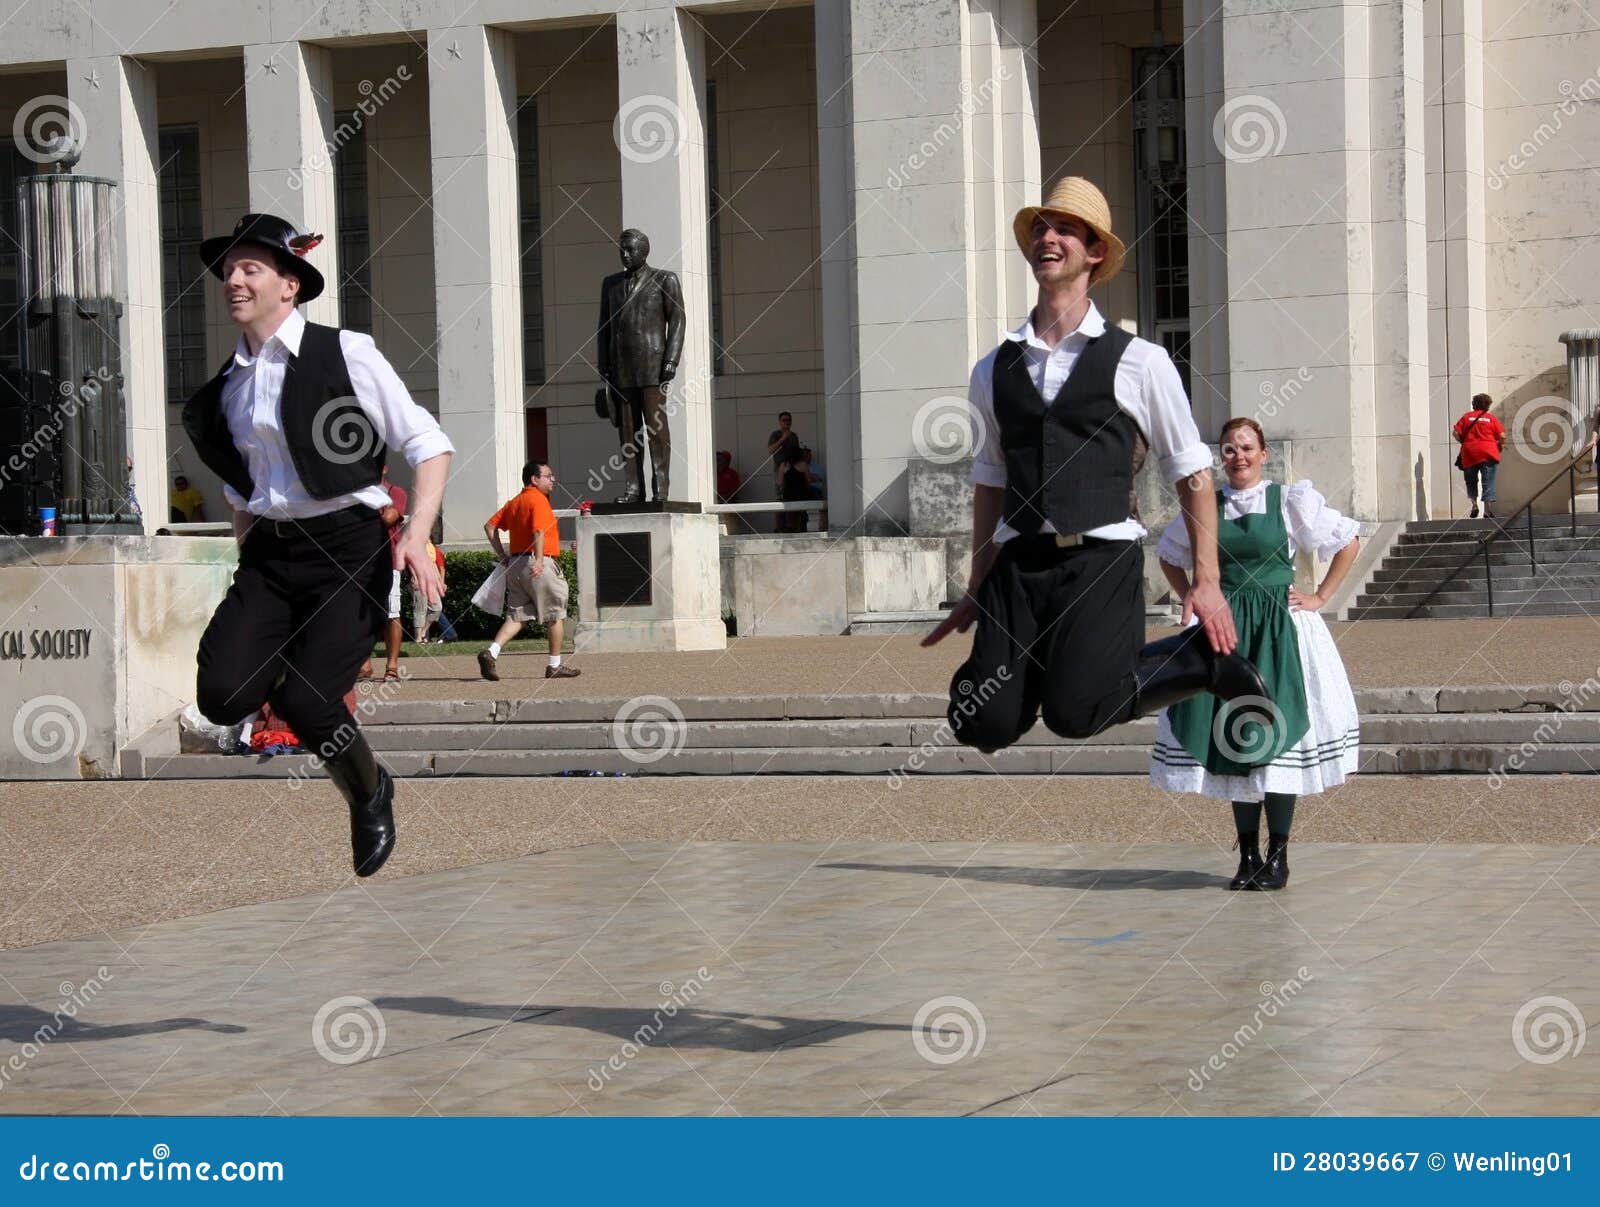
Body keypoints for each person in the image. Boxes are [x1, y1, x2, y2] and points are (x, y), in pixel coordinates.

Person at [922, 176, 1270, 753]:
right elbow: (990, 477)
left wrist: (1207, 581)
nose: (1047, 238)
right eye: (1039, 228)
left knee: (1076, 713)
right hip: (1018, 565)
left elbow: (1193, 474)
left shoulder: (1141, 361)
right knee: (980, 721)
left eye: (1065, 229)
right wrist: (979, 575)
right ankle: (1033, 672)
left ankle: (1200, 662)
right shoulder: (991, 368)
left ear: (1096, 251)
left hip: (1100, 560)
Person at [184, 211, 452, 877]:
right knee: (221, 693)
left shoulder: (346, 352)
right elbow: (245, 486)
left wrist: (415, 537)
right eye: (229, 269)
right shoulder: (226, 388)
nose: (233, 279)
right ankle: (295, 665)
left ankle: (369, 790)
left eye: (251, 268)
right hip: (273, 556)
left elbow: (428, 444)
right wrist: (248, 557)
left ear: (290, 285)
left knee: (306, 701)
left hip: (347, 547)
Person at [1151, 418, 1362, 891]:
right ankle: (1247, 855)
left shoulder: (1289, 501)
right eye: (1228, 450)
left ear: (1263, 454)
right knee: (1233, 737)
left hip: (1278, 628)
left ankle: (1279, 856)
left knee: (1278, 737)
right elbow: (1168, 554)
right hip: (1225, 630)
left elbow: (1348, 541)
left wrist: (1321, 595)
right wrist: (1192, 595)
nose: (1238, 457)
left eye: (1246, 448)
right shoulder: (1207, 506)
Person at [596, 229, 684, 503]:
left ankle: (661, 488)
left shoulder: (664, 279)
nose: (624, 254)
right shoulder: (610, 284)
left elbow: (678, 321)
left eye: (630, 249)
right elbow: (604, 327)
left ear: (643, 251)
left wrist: (671, 360)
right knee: (627, 431)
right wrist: (603, 363)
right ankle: (634, 488)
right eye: (621, 249)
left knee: (656, 430)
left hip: (652, 365)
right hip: (621, 368)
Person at [478, 460, 578, 681]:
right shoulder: (539, 500)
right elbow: (538, 531)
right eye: (548, 476)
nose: (553, 480)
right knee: (555, 614)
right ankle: (554, 665)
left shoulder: (515, 502)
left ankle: (491, 652)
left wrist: (502, 555)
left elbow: (490, 526)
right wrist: (540, 560)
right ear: (534, 479)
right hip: (537, 564)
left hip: (515, 564)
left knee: (517, 616)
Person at [1453, 392, 1506, 518]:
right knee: (1488, 482)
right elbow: (1502, 436)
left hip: (1469, 453)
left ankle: (1474, 505)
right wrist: (1499, 445)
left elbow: (1455, 432)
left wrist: (1464, 442)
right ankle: (1487, 511)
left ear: (1474, 404)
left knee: (1471, 481)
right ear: (1488, 405)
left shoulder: (1467, 417)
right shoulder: (1491, 418)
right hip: (1488, 453)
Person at [767, 412, 802, 531]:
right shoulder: (775, 434)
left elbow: (797, 452)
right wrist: (783, 439)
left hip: (792, 469)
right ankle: (779, 526)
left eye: (788, 420)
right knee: (780, 496)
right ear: (780, 422)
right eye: (784, 420)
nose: (786, 422)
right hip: (780, 468)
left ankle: (790, 526)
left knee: (791, 496)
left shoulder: (794, 436)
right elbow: (770, 450)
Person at [412, 534, 446, 643]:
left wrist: (440, 582)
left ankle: (423, 632)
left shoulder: (431, 547)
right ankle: (418, 638)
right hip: (420, 579)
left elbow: (434, 565)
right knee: (420, 609)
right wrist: (415, 576)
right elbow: (411, 562)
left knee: (437, 608)